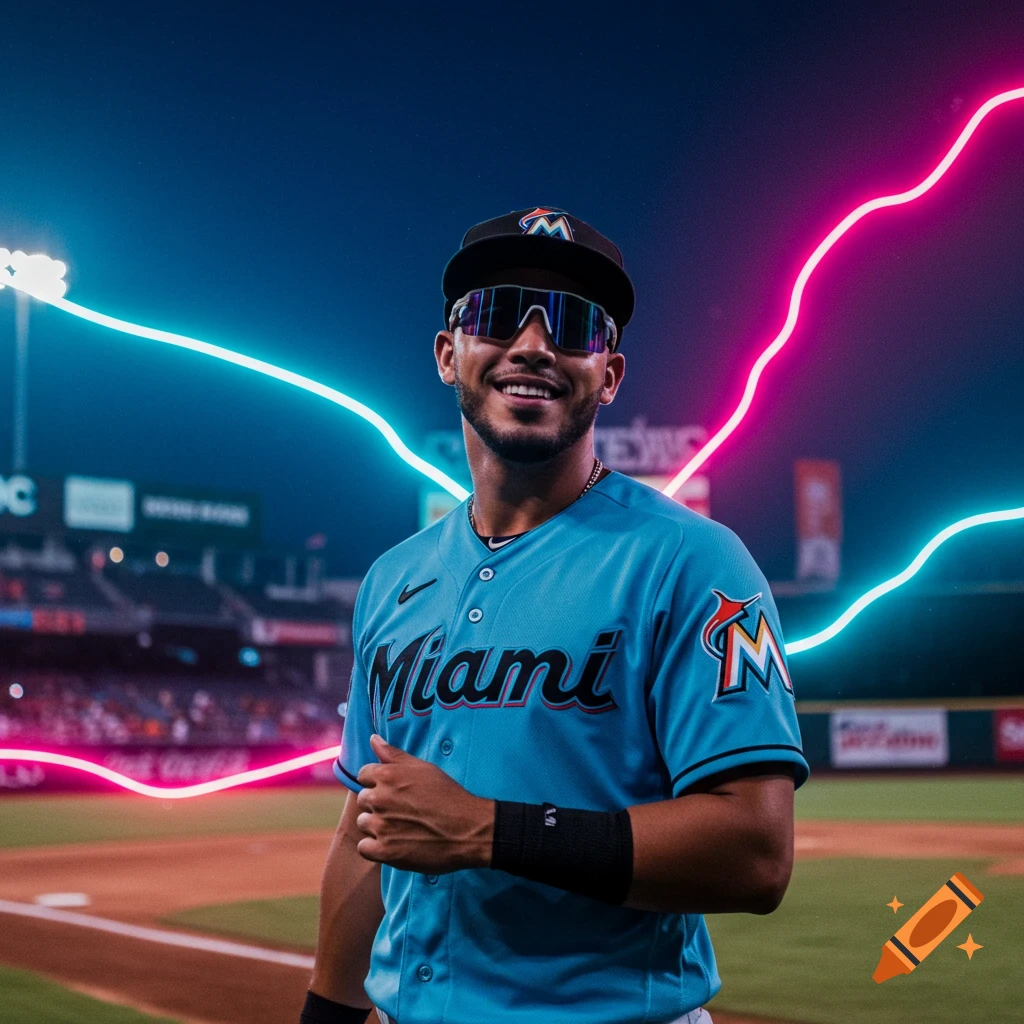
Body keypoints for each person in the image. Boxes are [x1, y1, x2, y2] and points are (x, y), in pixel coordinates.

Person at [304, 207, 808, 1024]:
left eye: (573, 325)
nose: (534, 344)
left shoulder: (693, 560)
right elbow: (370, 823)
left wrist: (488, 831)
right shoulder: (392, 579)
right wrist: (324, 1016)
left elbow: (755, 853)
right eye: (499, 314)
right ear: (449, 353)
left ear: (608, 375)